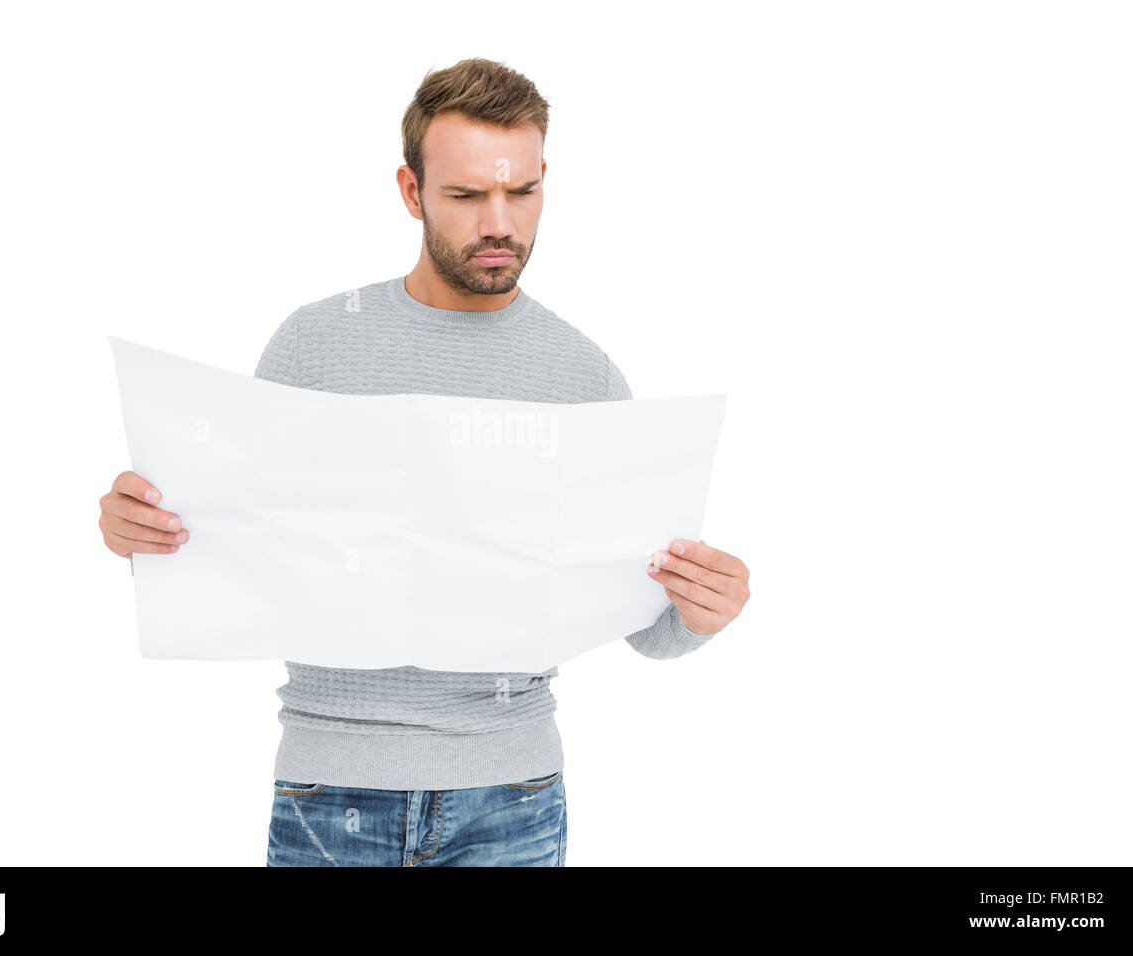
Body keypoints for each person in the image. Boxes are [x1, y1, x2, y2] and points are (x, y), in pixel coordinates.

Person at [98, 57, 751, 866]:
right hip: (327, 795)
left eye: (522, 192)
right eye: (467, 195)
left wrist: (701, 610)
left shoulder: (583, 376)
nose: (500, 224)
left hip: (510, 800)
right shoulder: (315, 345)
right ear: (411, 192)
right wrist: (142, 537)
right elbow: (239, 554)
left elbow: (641, 623)